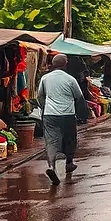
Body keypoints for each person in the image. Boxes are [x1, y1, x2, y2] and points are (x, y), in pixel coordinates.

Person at [36, 52, 87, 185]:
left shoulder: (45, 78)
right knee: (69, 139)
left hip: (50, 115)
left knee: (52, 141)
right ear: (65, 64)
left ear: (53, 64)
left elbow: (40, 96)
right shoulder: (70, 79)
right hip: (68, 115)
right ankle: (68, 162)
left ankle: (52, 166)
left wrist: (44, 108)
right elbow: (79, 97)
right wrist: (82, 114)